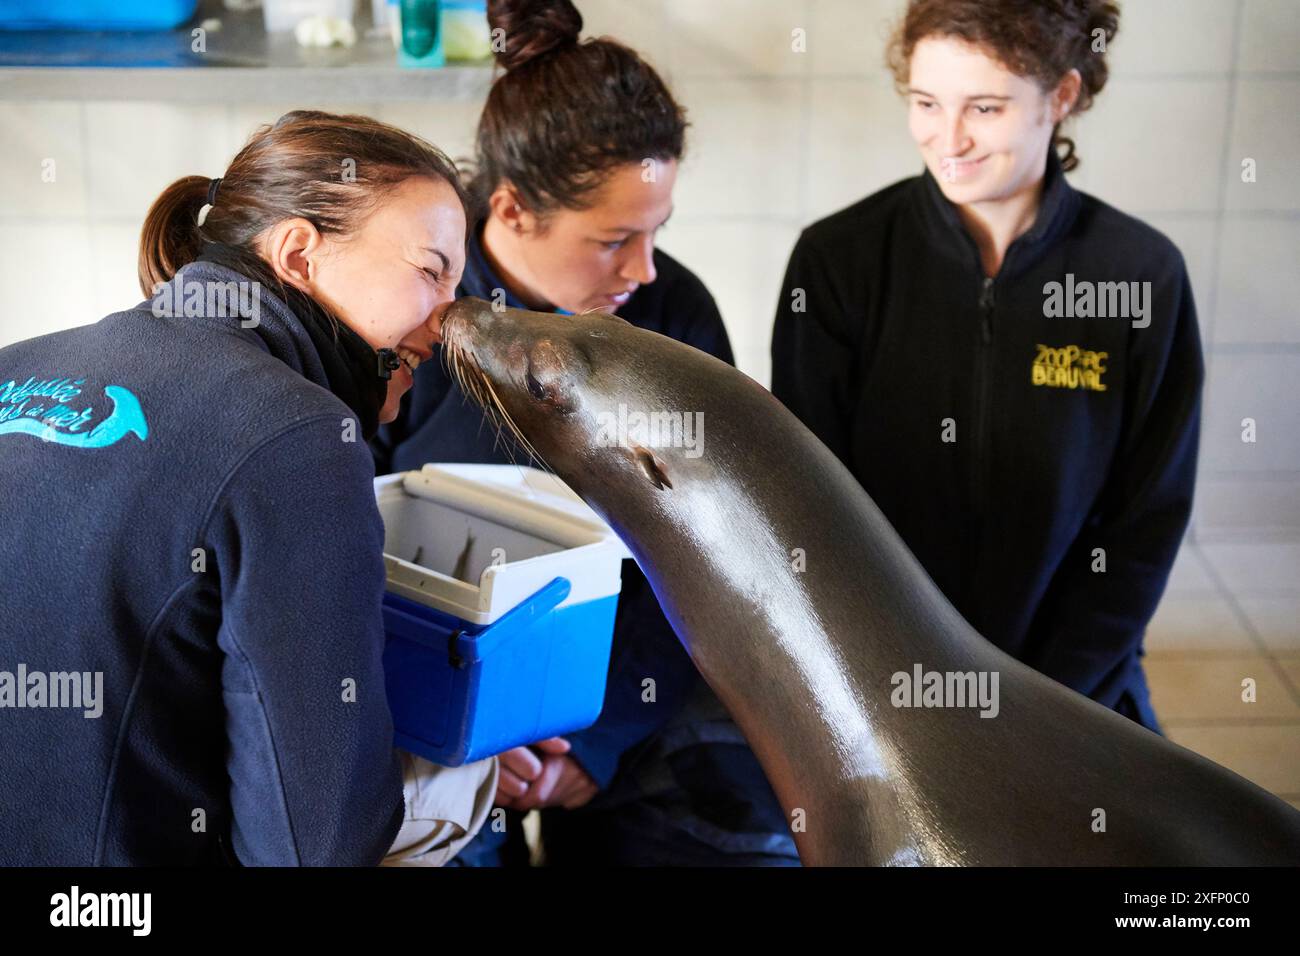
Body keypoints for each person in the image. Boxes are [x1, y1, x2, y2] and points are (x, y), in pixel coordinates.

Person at [0, 110, 495, 865]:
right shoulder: (299, 438)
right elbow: (312, 844)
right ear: (298, 252)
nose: (447, 325)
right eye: (431, 271)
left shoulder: (16, 367)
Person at [373, 0, 798, 866]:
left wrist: (596, 737)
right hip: (425, 684)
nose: (642, 270)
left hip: (626, 687)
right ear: (512, 210)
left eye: (656, 233)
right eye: (614, 241)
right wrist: (467, 721)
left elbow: (714, 557)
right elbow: (343, 543)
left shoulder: (672, 311)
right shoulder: (408, 312)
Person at [771, 0, 1203, 734]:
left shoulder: (1140, 274)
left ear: (1061, 97)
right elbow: (810, 509)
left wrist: (1050, 700)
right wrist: (889, 679)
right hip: (879, 677)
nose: (950, 139)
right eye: (926, 103)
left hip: (1073, 687)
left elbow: (1145, 525)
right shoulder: (838, 261)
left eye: (986, 107)